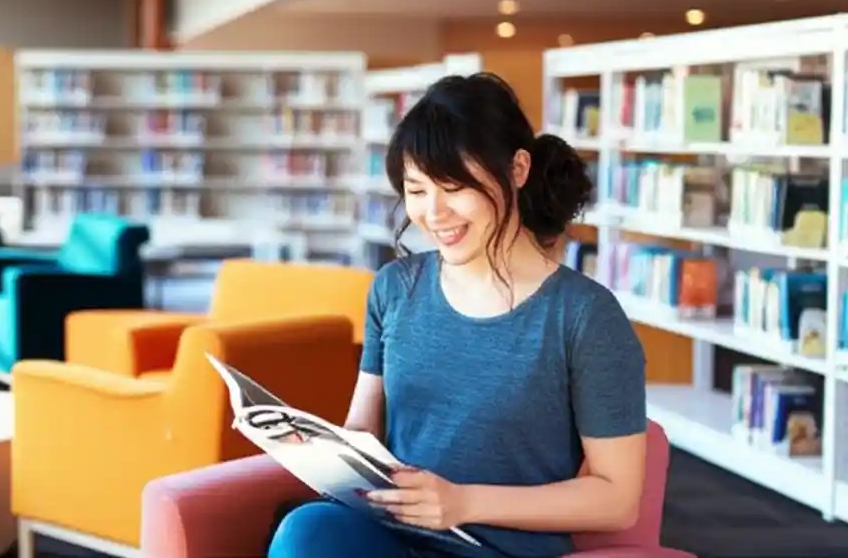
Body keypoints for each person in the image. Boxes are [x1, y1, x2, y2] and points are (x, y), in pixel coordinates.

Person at [267, 72, 648, 558]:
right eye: (417, 189)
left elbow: (617, 499)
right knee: (307, 531)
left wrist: (462, 503)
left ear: (518, 169)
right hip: (392, 537)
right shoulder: (395, 288)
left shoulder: (585, 317)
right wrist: (319, 449)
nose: (434, 212)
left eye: (453, 186)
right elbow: (364, 428)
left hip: (495, 549)